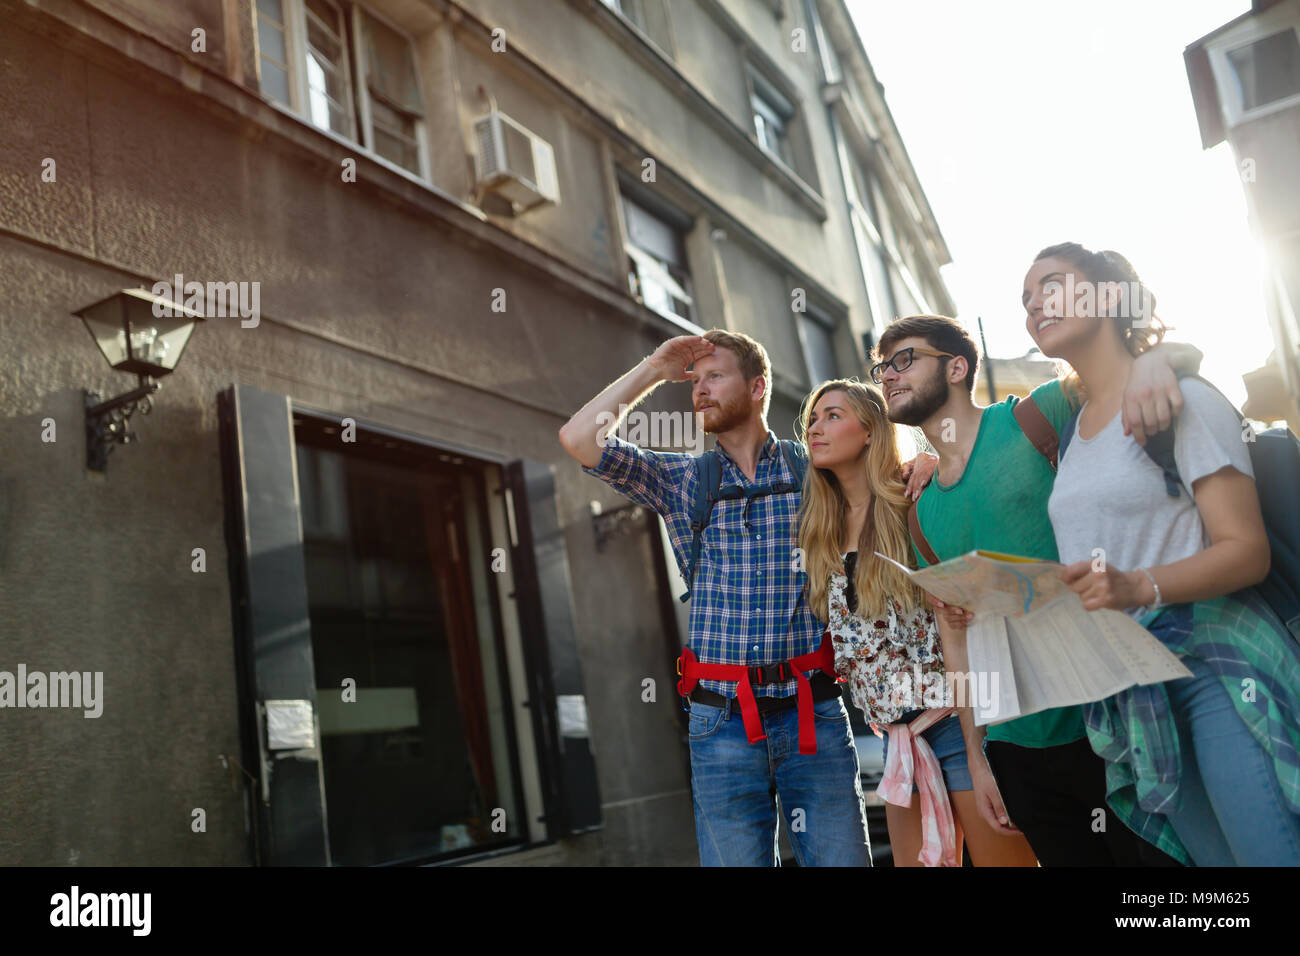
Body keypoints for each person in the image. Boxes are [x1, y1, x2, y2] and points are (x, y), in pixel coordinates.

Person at [874, 312, 1191, 865]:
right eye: (882, 368)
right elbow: (958, 641)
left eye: (906, 359)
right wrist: (979, 757)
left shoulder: (1035, 416)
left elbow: (1147, 361)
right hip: (1018, 751)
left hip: (1111, 720)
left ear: (956, 367)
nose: (889, 376)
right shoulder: (920, 510)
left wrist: (1159, 363)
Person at [1024, 242, 1300, 865]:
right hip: (1131, 687)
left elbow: (1246, 552)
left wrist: (1136, 587)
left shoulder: (1183, 399)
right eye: (1026, 298)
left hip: (1216, 668)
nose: (1035, 304)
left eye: (1053, 285)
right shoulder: (1073, 427)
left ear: (1108, 295)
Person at [558, 329, 871, 866]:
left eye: (715, 376)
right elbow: (579, 438)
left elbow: (885, 477)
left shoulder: (815, 471)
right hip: (719, 720)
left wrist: (923, 466)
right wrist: (654, 369)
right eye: (694, 381)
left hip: (812, 709)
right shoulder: (682, 479)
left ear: (757, 387)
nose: (699, 390)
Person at [798, 377, 1039, 866]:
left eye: (833, 415)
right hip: (898, 741)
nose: (815, 429)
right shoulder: (818, 530)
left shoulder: (914, 502)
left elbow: (958, 623)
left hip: (959, 724)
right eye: (812, 420)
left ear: (870, 431)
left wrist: (930, 460)